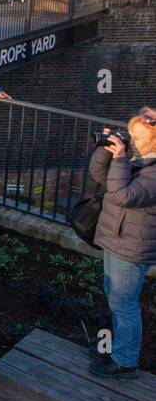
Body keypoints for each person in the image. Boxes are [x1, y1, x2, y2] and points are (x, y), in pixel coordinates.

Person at [86, 111, 156, 379]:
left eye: (138, 137)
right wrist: (106, 150)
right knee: (114, 298)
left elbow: (122, 195)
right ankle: (112, 346)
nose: (133, 141)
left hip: (133, 247)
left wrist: (121, 158)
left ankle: (125, 362)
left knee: (124, 304)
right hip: (117, 240)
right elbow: (98, 175)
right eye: (131, 136)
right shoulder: (138, 161)